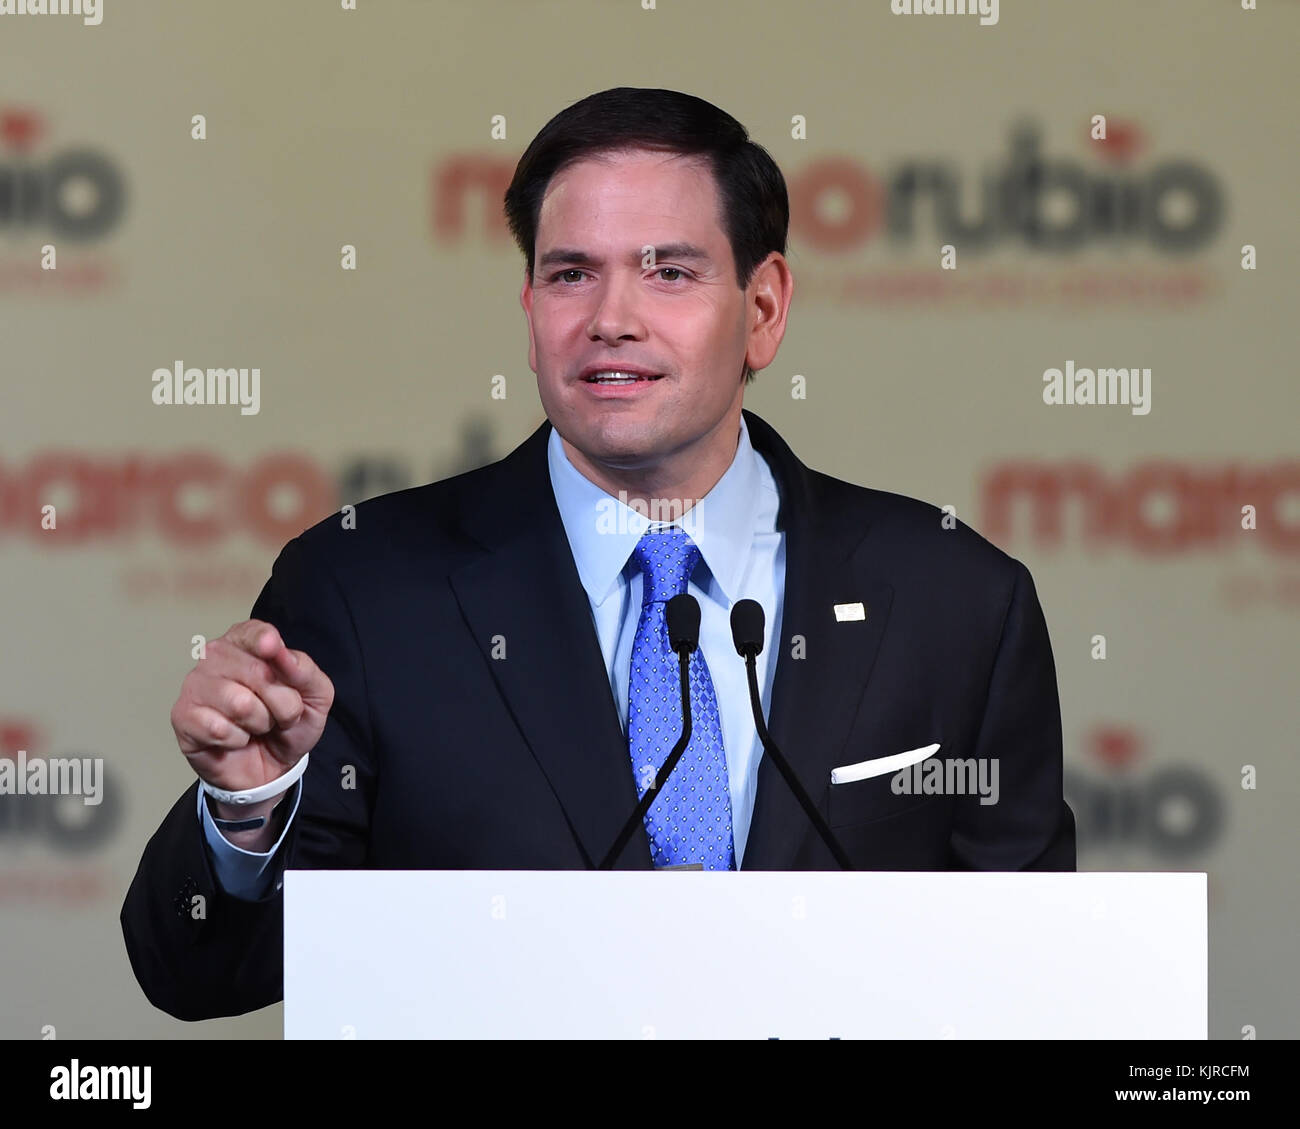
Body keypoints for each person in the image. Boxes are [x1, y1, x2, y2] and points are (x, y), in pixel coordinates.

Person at [122, 87, 1075, 1021]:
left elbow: (1032, 979)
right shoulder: (365, 588)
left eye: (669, 272)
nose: (610, 317)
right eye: (573, 273)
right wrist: (249, 814)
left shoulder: (953, 601)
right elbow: (198, 972)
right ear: (530, 308)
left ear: (766, 307)